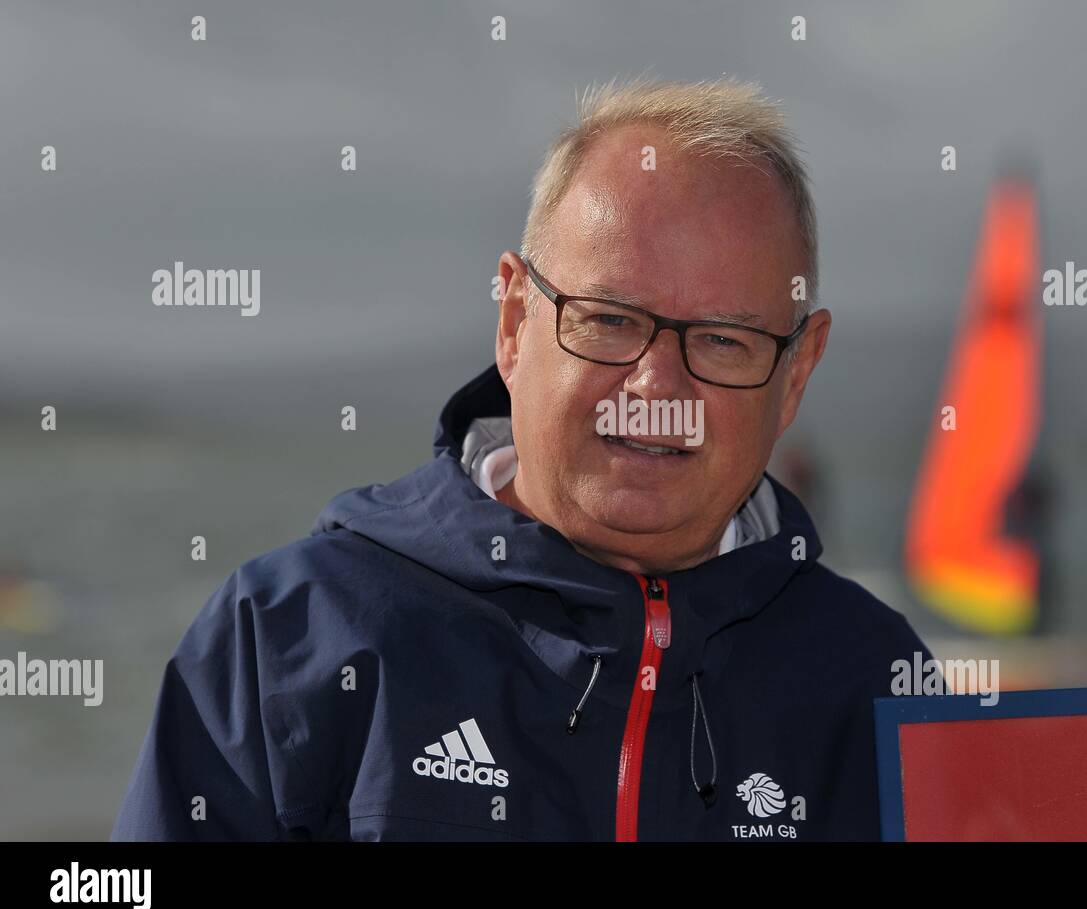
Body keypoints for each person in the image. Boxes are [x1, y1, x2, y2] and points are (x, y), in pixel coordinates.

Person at [111, 76, 936, 842]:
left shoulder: (874, 681)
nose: (655, 387)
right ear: (513, 323)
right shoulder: (290, 634)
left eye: (723, 340)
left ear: (796, 373)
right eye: (609, 319)